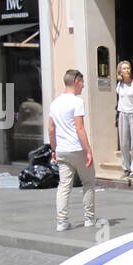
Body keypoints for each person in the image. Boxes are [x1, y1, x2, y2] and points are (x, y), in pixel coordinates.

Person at [48, 69, 96, 231]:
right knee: (88, 182)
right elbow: (80, 128)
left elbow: (51, 129)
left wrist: (53, 149)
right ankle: (89, 217)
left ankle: (61, 221)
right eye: (82, 83)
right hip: (76, 148)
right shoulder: (77, 102)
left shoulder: (54, 103)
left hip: (62, 149)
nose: (83, 86)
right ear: (76, 81)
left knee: (64, 186)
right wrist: (88, 150)